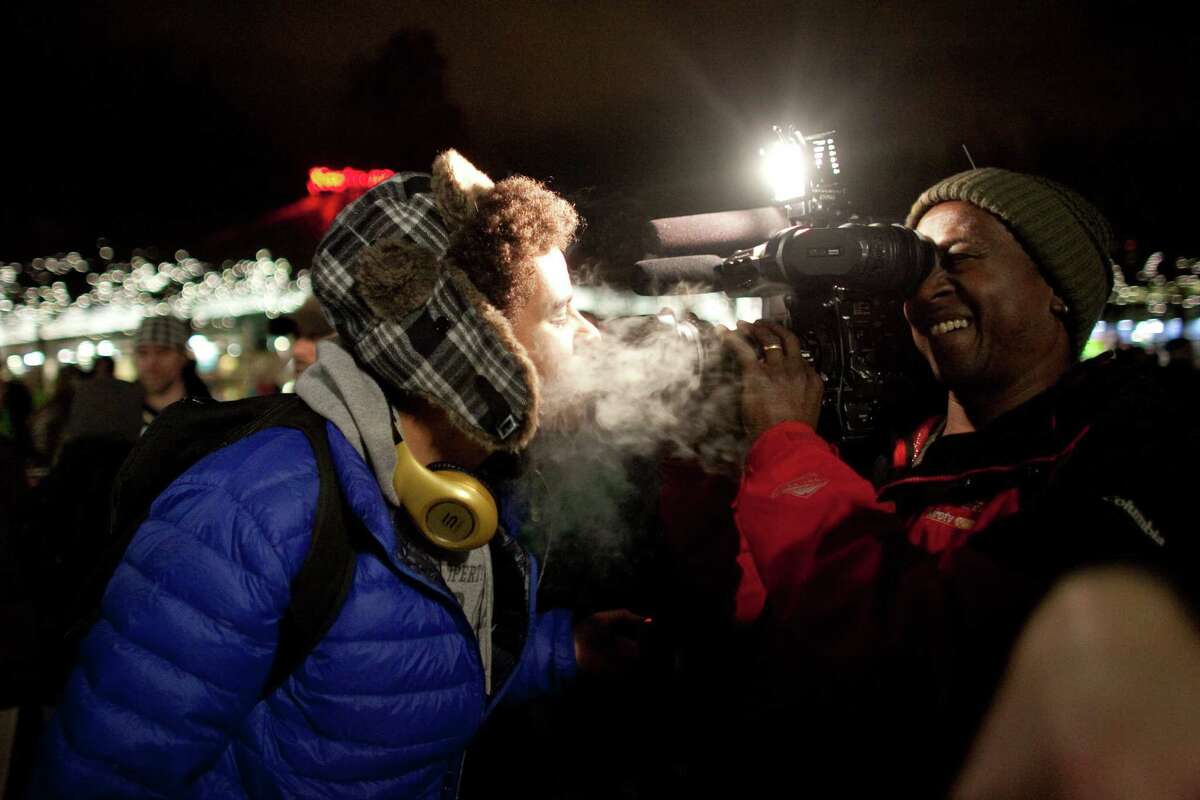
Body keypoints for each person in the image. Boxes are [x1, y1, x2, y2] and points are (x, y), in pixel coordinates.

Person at [30, 150, 641, 798]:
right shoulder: (247, 511)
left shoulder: (479, 489)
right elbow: (104, 775)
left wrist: (562, 648)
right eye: (557, 313)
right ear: (472, 352)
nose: (591, 338)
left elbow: (402, 665)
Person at [722, 168, 1200, 794]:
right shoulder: (896, 450)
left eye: (962, 259)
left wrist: (785, 453)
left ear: (1057, 290)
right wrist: (708, 458)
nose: (929, 290)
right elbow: (765, 625)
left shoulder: (1129, 453)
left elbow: (915, 661)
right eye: (915, 270)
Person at [132, 314, 191, 428]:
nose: (151, 363)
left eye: (162, 352)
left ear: (182, 356)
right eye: (143, 352)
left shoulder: (204, 414)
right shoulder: (119, 415)